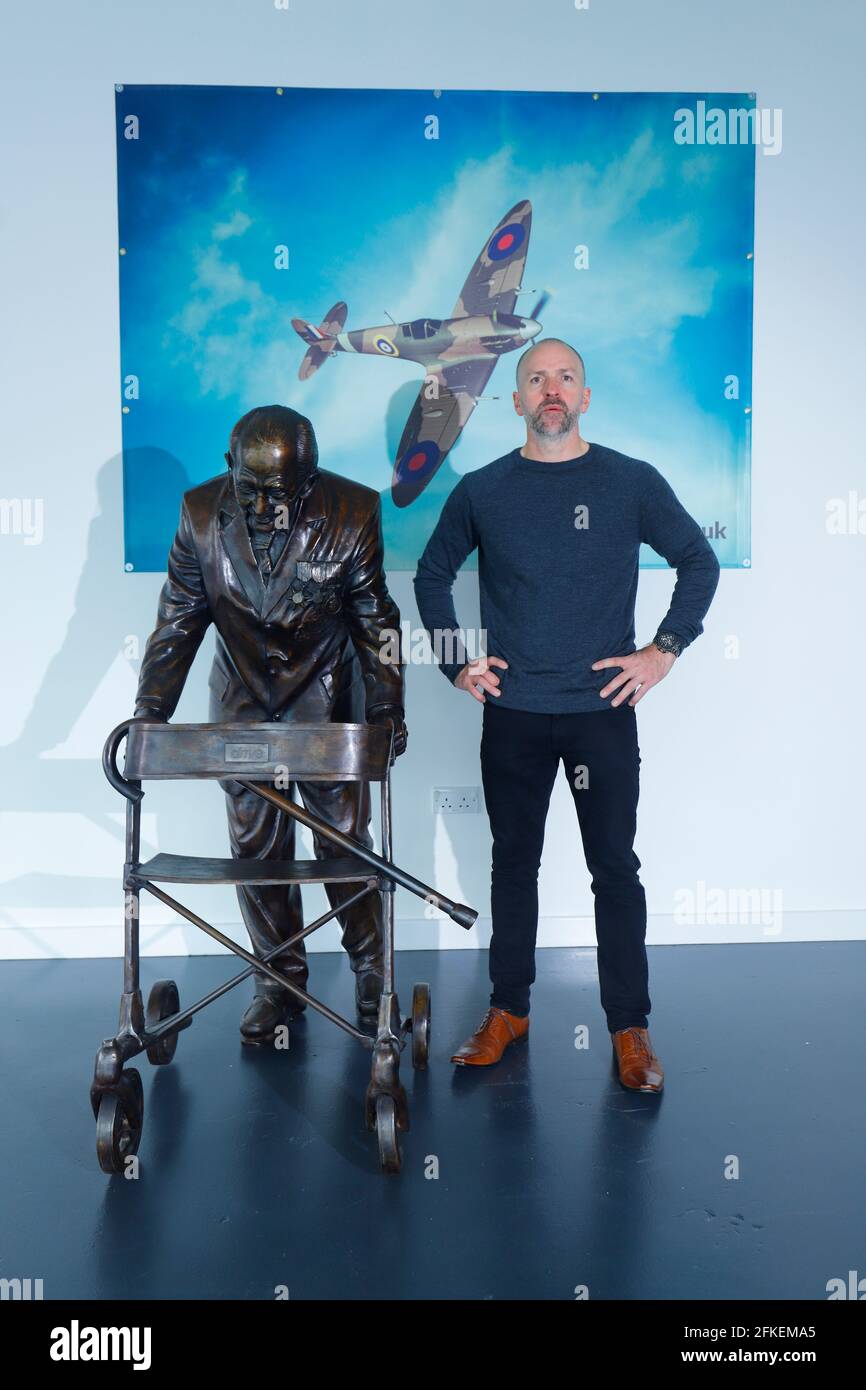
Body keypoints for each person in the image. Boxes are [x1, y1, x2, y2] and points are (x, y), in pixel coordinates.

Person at [413, 339, 720, 1090]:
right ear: (515, 401)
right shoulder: (483, 491)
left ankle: (630, 1029)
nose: (552, 390)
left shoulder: (630, 482)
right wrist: (458, 661)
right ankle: (508, 1011)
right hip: (513, 712)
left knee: (614, 868)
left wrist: (663, 651)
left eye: (566, 378)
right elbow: (432, 574)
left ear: (585, 396)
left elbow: (697, 562)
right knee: (513, 864)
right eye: (536, 379)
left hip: (600, 713)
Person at [134, 404, 406, 1043]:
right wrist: (150, 715)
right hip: (242, 703)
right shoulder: (200, 513)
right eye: (248, 488)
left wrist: (387, 706)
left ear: (310, 480)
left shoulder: (354, 511)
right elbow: (178, 621)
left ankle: (371, 970)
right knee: (257, 852)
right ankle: (276, 985)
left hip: (326, 699)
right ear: (229, 467)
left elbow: (377, 623)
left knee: (342, 844)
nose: (260, 505)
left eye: (276, 493)